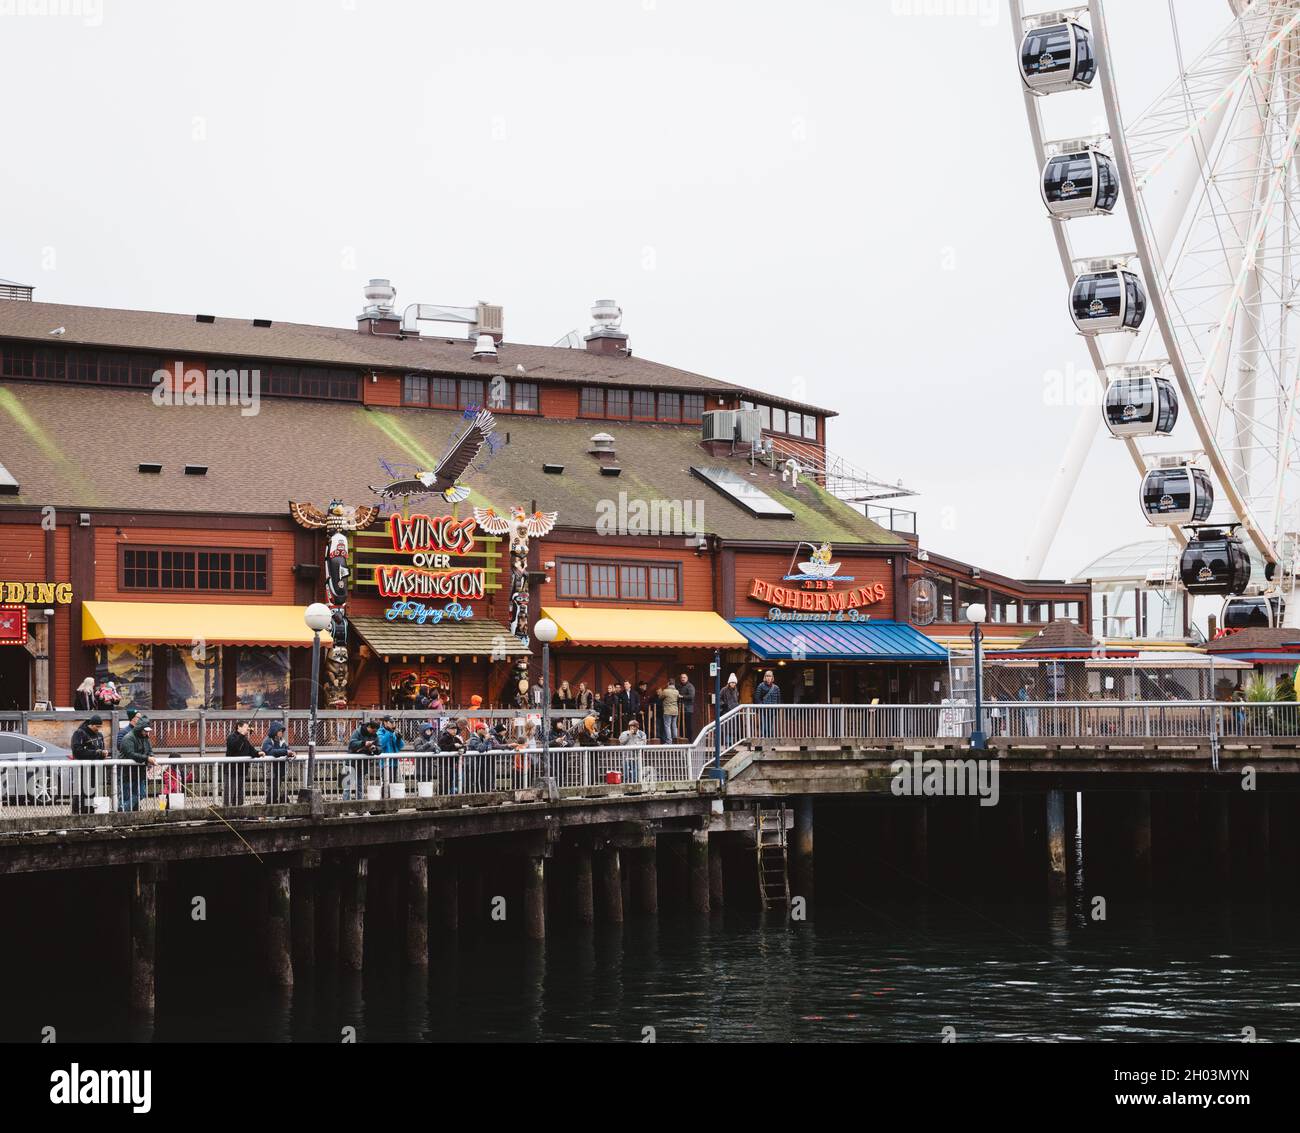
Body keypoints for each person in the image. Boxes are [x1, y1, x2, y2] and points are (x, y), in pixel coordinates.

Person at [116, 713, 156, 812]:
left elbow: (150, 750)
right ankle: (124, 811)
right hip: (127, 772)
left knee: (141, 793)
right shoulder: (128, 737)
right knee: (126, 795)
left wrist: (151, 757)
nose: (147, 733)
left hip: (140, 771)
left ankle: (123, 809)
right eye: (145, 731)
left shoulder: (146, 738)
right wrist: (147, 758)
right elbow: (130, 754)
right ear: (140, 728)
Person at [70, 713, 105, 813]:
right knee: (80, 793)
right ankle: (76, 816)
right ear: (91, 724)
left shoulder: (99, 735)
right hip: (81, 769)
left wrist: (102, 754)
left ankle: (89, 816)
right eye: (97, 726)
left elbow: (101, 749)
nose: (98, 729)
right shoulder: (79, 733)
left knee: (91, 793)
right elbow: (77, 751)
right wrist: (97, 753)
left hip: (94, 769)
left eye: (100, 727)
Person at [344, 718, 380, 800]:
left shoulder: (375, 735)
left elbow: (380, 748)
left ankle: (359, 808)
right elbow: (351, 744)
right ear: (370, 727)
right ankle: (345, 808)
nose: (375, 732)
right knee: (347, 786)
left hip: (363, 764)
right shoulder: (358, 731)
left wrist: (375, 749)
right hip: (351, 762)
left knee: (360, 786)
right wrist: (363, 743)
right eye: (374, 730)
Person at [224, 720, 258, 806]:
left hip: (241, 771)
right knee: (229, 793)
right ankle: (227, 813)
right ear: (239, 727)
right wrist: (242, 735)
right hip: (231, 771)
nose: (247, 730)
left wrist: (258, 753)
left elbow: (251, 750)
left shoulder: (245, 739)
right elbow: (236, 747)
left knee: (239, 794)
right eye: (245, 728)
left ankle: (238, 813)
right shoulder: (231, 737)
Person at [261, 721, 293, 804]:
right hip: (271, 771)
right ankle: (268, 811)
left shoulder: (282, 741)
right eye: (279, 731)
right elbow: (270, 752)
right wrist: (286, 752)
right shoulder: (267, 741)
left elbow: (288, 749)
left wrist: (292, 753)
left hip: (281, 771)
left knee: (281, 792)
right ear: (274, 731)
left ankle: (277, 812)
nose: (281, 733)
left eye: (282, 731)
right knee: (273, 791)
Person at [376, 714, 406, 797]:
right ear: (385, 722)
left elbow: (401, 746)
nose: (393, 724)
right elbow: (381, 744)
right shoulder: (380, 732)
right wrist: (389, 733)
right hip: (385, 763)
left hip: (394, 762)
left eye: (394, 722)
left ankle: (391, 801)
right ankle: (383, 802)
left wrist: (399, 738)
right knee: (386, 783)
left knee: (393, 783)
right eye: (391, 722)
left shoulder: (393, 733)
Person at [619, 716, 645, 785]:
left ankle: (635, 787)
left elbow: (643, 744)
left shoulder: (642, 734)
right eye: (631, 726)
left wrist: (635, 746)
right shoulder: (624, 733)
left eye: (634, 726)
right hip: (626, 757)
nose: (632, 728)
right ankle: (626, 787)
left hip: (636, 757)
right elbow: (622, 741)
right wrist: (628, 735)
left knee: (635, 775)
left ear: (637, 727)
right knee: (626, 775)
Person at [755, 670, 781, 737]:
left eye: (770, 676)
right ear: (765, 677)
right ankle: (764, 744)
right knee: (764, 728)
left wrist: (776, 710)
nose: (768, 677)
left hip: (772, 711)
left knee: (771, 729)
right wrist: (762, 707)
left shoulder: (776, 688)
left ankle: (770, 744)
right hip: (763, 711)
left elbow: (778, 700)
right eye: (767, 676)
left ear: (772, 677)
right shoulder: (760, 686)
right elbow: (757, 699)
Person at [658, 679, 681, 744]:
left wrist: (660, 693)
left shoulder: (665, 691)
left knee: (667, 726)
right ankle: (675, 740)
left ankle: (669, 741)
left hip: (667, 711)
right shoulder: (677, 691)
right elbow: (678, 698)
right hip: (675, 711)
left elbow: (660, 697)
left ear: (668, 683)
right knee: (674, 725)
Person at [678, 672, 697, 737]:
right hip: (680, 709)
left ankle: (689, 740)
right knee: (680, 725)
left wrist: (682, 696)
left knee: (688, 725)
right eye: (681, 677)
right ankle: (682, 740)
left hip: (688, 709)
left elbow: (691, 696)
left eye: (684, 677)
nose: (683, 679)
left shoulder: (690, 686)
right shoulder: (679, 686)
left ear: (687, 678)